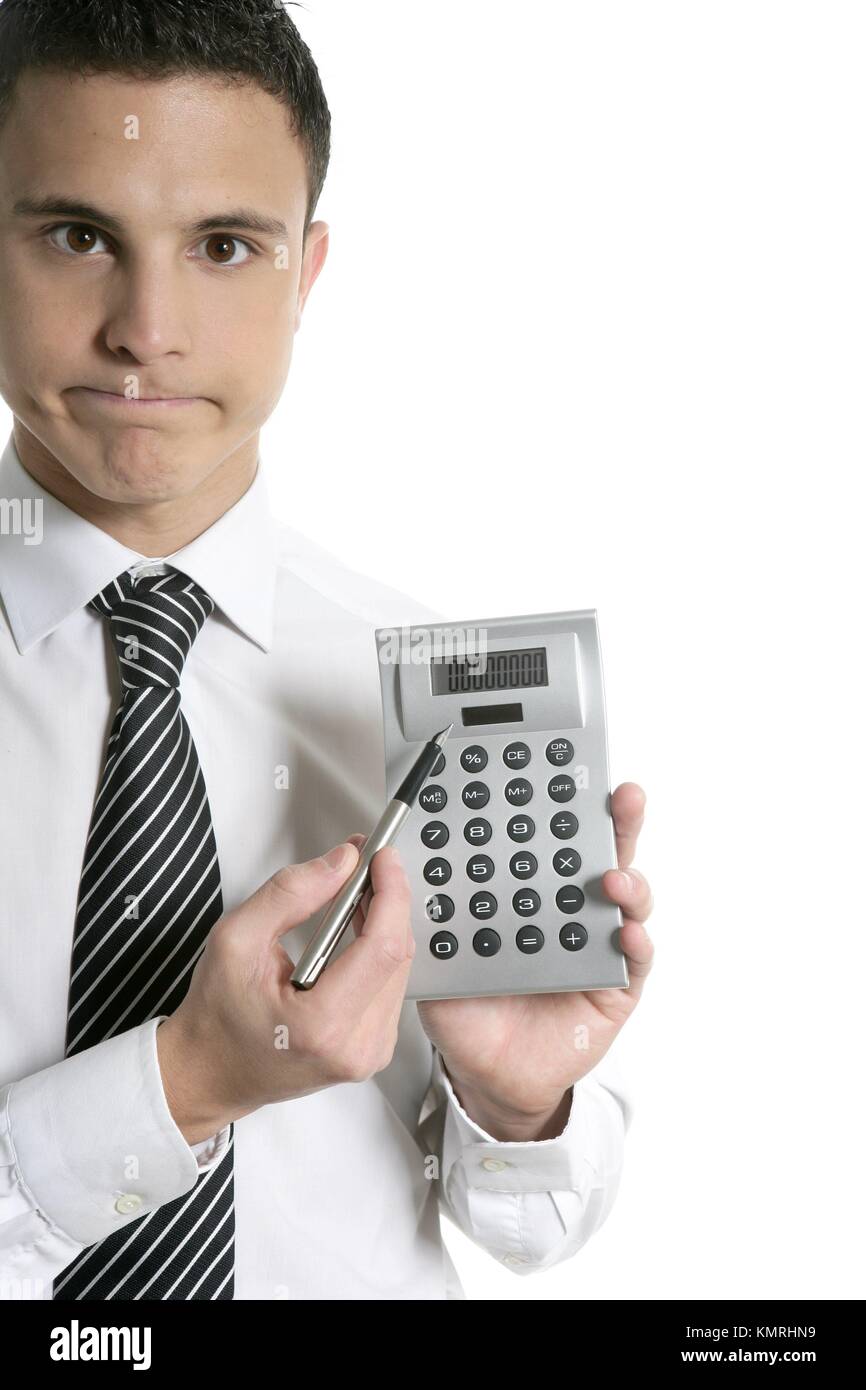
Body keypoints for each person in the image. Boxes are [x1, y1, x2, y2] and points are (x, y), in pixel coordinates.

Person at [0, 0, 654, 1301]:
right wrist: (184, 1084)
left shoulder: (422, 685)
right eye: (78, 235)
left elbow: (525, 1230)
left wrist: (513, 1105)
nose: (147, 329)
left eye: (225, 246)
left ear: (305, 274)